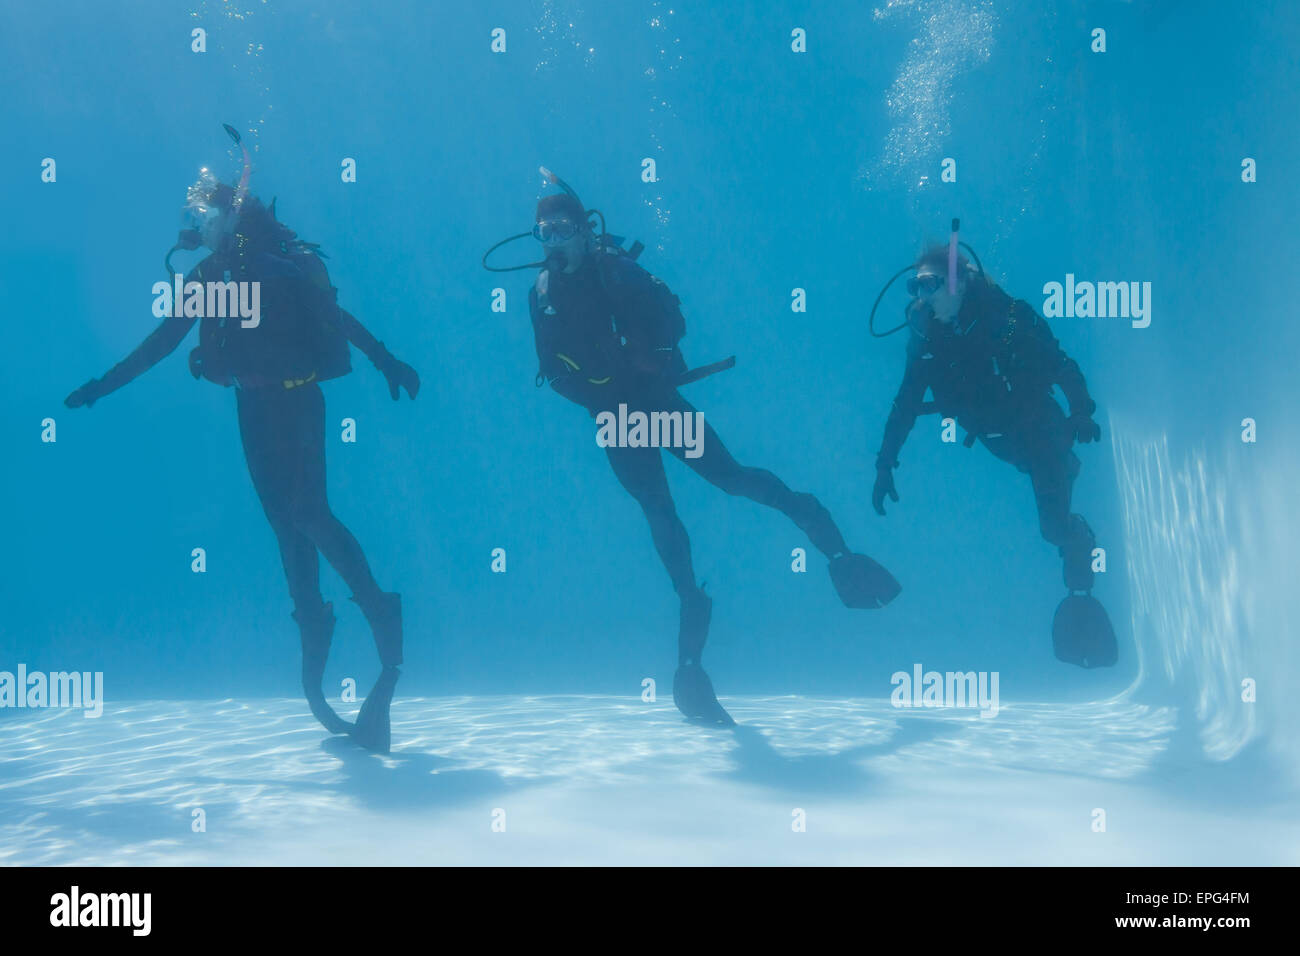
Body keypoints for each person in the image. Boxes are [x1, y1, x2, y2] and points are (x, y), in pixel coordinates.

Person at [63, 145, 420, 751]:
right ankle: (318, 673)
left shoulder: (284, 265)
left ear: (229, 216)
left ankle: (384, 631)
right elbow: (162, 343)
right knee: (286, 531)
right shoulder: (206, 278)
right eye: (192, 214)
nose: (196, 224)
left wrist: (386, 360)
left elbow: (339, 320)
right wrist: (103, 386)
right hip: (252, 408)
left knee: (310, 513)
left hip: (298, 401)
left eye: (203, 214)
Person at [504, 181, 900, 726]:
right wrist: (597, 392)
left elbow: (673, 319)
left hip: (658, 402)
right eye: (543, 232)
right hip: (616, 421)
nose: (553, 241)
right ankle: (690, 658)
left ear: (584, 227)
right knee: (660, 515)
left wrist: (650, 358)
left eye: (562, 229)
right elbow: (549, 368)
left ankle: (837, 552)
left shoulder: (616, 269)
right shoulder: (541, 293)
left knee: (733, 480)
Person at [870, 243, 1116, 667]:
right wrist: (884, 464)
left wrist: (1081, 412)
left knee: (1053, 529)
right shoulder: (927, 341)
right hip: (1000, 443)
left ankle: (1080, 553)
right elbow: (905, 405)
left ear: (959, 283)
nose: (921, 297)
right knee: (1047, 519)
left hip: (1043, 439)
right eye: (915, 287)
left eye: (930, 285)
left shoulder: (1008, 318)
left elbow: (1060, 364)